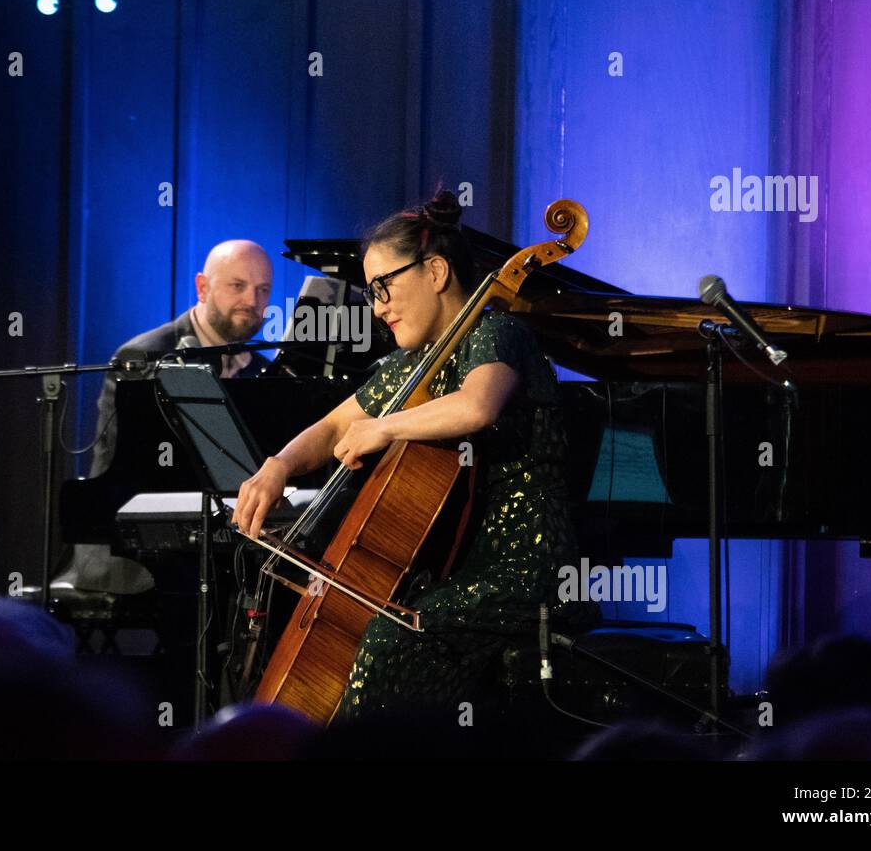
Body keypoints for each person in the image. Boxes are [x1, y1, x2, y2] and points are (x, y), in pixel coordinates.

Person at [232, 190, 590, 723]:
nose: (377, 308)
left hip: (521, 569)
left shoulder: (498, 333)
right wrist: (277, 465)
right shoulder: (411, 366)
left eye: (384, 287)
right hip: (453, 572)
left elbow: (477, 405)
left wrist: (383, 428)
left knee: (386, 639)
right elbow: (333, 424)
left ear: (437, 270)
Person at [54, 240, 274, 596]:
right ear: (202, 287)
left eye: (263, 290)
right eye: (238, 286)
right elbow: (130, 468)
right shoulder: (143, 355)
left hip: (223, 538)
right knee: (197, 593)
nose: (252, 301)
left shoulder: (266, 372)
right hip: (137, 535)